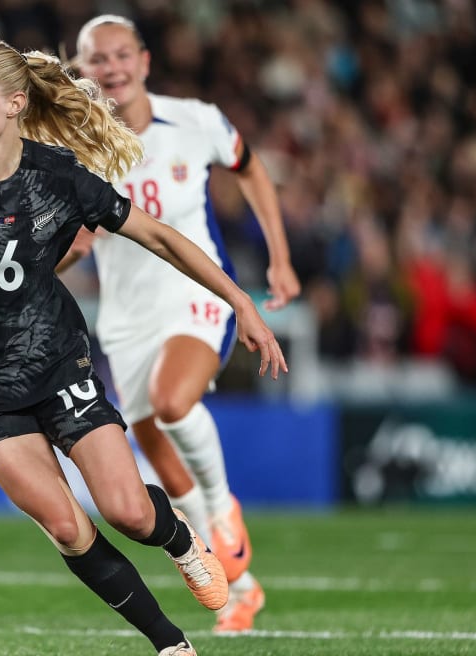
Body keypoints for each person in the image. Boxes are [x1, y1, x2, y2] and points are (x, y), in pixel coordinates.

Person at [0, 40, 287, 656]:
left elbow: (162, 238)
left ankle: (178, 539)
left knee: (127, 511)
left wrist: (241, 300)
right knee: (69, 526)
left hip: (57, 363)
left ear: (15, 104)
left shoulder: (58, 176)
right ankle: (172, 646)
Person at [69, 15, 303, 633]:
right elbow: (77, 239)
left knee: (175, 403)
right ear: (80, 68)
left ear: (145, 61)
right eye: (97, 59)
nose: (111, 68)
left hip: (198, 298)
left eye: (122, 55)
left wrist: (279, 257)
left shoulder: (195, 120)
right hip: (124, 320)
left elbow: (250, 167)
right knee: (166, 473)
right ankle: (241, 586)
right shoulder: (76, 147)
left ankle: (225, 511)